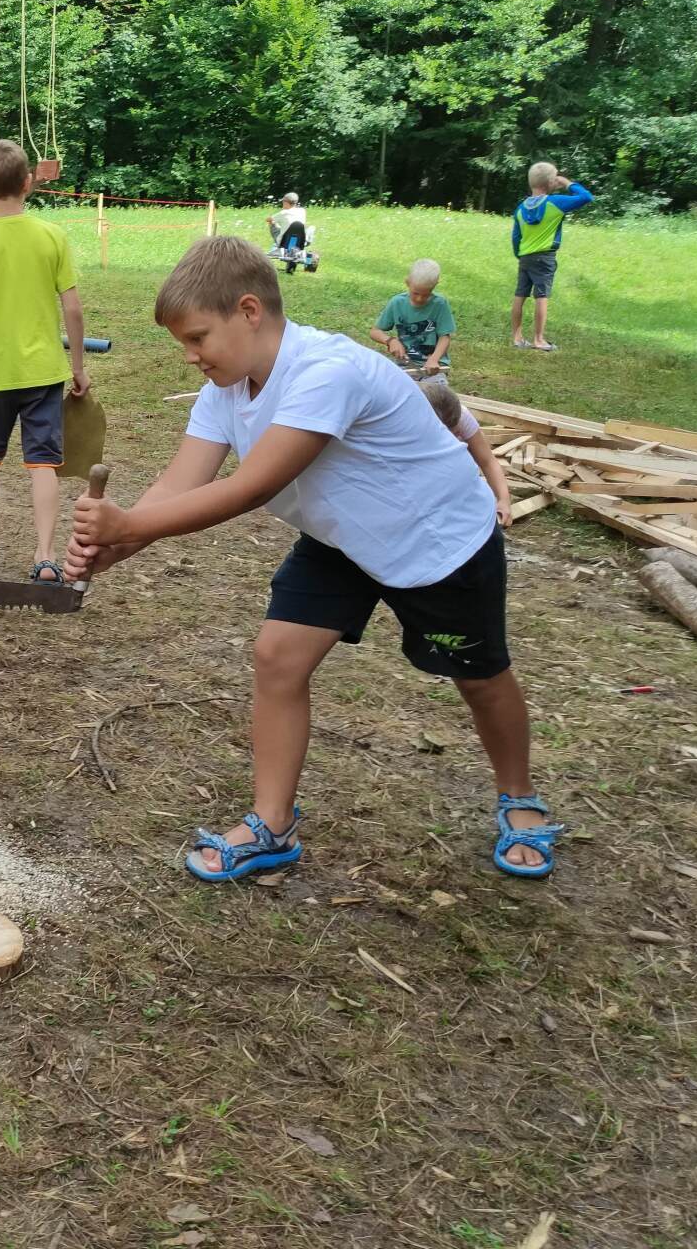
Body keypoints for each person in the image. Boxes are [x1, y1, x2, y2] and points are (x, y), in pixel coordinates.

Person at [66, 236, 558, 883]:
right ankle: (272, 824)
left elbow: (251, 487)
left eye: (196, 338)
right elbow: (179, 485)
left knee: (480, 679)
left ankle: (519, 797)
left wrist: (129, 523)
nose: (189, 357)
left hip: (436, 541)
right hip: (342, 541)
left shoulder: (328, 371)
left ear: (249, 310)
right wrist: (117, 547)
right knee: (277, 656)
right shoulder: (229, 385)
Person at [0, 139, 92, 585]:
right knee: (43, 463)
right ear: (28, 184)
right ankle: (46, 556)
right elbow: (72, 307)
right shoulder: (53, 236)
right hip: (45, 372)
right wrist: (79, 366)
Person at [510, 163, 593, 352]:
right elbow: (586, 197)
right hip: (545, 258)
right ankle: (538, 339)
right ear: (550, 182)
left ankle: (517, 337)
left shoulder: (520, 209)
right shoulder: (555, 203)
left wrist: (519, 254)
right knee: (542, 296)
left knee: (520, 295)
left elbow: (516, 237)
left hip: (525, 257)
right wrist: (568, 183)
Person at [419, 377, 513, 528]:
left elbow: (487, 462)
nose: (452, 438)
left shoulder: (462, 416)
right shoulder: (408, 425)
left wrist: (504, 500)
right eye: (445, 434)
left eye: (455, 432)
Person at [370, 258, 455, 373]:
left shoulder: (440, 304)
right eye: (415, 293)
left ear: (435, 285)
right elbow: (375, 332)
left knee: (434, 389)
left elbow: (444, 337)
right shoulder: (397, 303)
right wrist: (390, 341)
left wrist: (434, 359)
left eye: (426, 294)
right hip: (405, 364)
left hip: (433, 365)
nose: (419, 299)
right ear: (407, 282)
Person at [266, 192, 308, 259]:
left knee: (272, 223)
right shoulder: (302, 211)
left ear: (285, 202)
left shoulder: (283, 213)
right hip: (300, 241)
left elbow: (268, 219)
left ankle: (277, 246)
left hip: (284, 242)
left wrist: (273, 221)